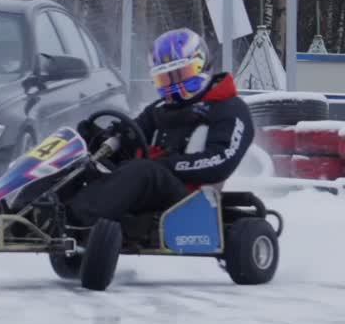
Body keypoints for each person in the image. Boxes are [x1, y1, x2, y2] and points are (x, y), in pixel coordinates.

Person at [72, 27, 254, 234]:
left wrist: (163, 165)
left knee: (144, 170)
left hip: (191, 197)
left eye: (181, 74)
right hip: (152, 186)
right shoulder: (159, 110)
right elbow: (131, 137)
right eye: (166, 79)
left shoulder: (230, 108)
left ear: (201, 66)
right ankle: (38, 207)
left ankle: (78, 219)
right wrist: (98, 137)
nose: (174, 85)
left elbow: (221, 161)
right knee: (79, 154)